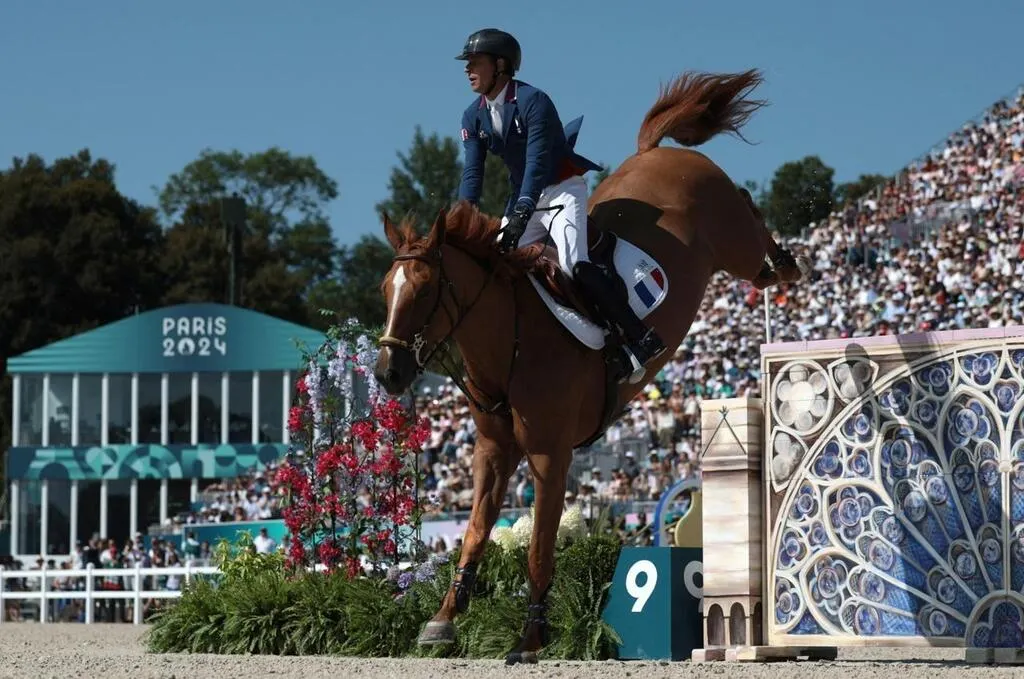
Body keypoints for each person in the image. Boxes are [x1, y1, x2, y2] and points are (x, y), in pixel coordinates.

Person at [454, 28, 666, 382]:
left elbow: (537, 160)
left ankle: (639, 338)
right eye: (468, 63)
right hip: (525, 198)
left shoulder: (534, 101)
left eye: (475, 62)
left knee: (572, 263)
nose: (468, 69)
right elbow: (472, 172)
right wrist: (462, 216)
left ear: (501, 65)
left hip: (561, 190)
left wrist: (523, 208)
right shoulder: (471, 116)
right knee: (495, 266)